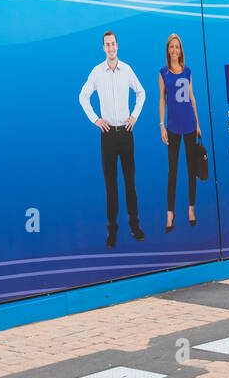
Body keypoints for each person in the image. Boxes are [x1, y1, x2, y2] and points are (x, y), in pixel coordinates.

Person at [79, 30, 146, 248]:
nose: (110, 47)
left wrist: (134, 116)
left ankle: (135, 226)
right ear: (103, 48)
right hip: (107, 135)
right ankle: (112, 231)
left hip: (126, 133)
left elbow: (141, 93)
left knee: (130, 183)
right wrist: (96, 119)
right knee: (111, 185)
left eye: (113, 44)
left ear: (117, 46)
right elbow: (83, 96)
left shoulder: (127, 70)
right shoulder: (97, 72)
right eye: (107, 44)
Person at [158, 33, 202, 232]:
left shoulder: (187, 71)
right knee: (172, 171)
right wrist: (161, 125)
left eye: (177, 47)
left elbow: (192, 98)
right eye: (171, 47)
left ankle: (191, 208)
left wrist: (198, 123)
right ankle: (170, 213)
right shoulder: (163, 73)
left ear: (180, 50)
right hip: (173, 127)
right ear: (168, 50)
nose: (174, 50)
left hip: (190, 125)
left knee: (191, 169)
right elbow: (162, 99)